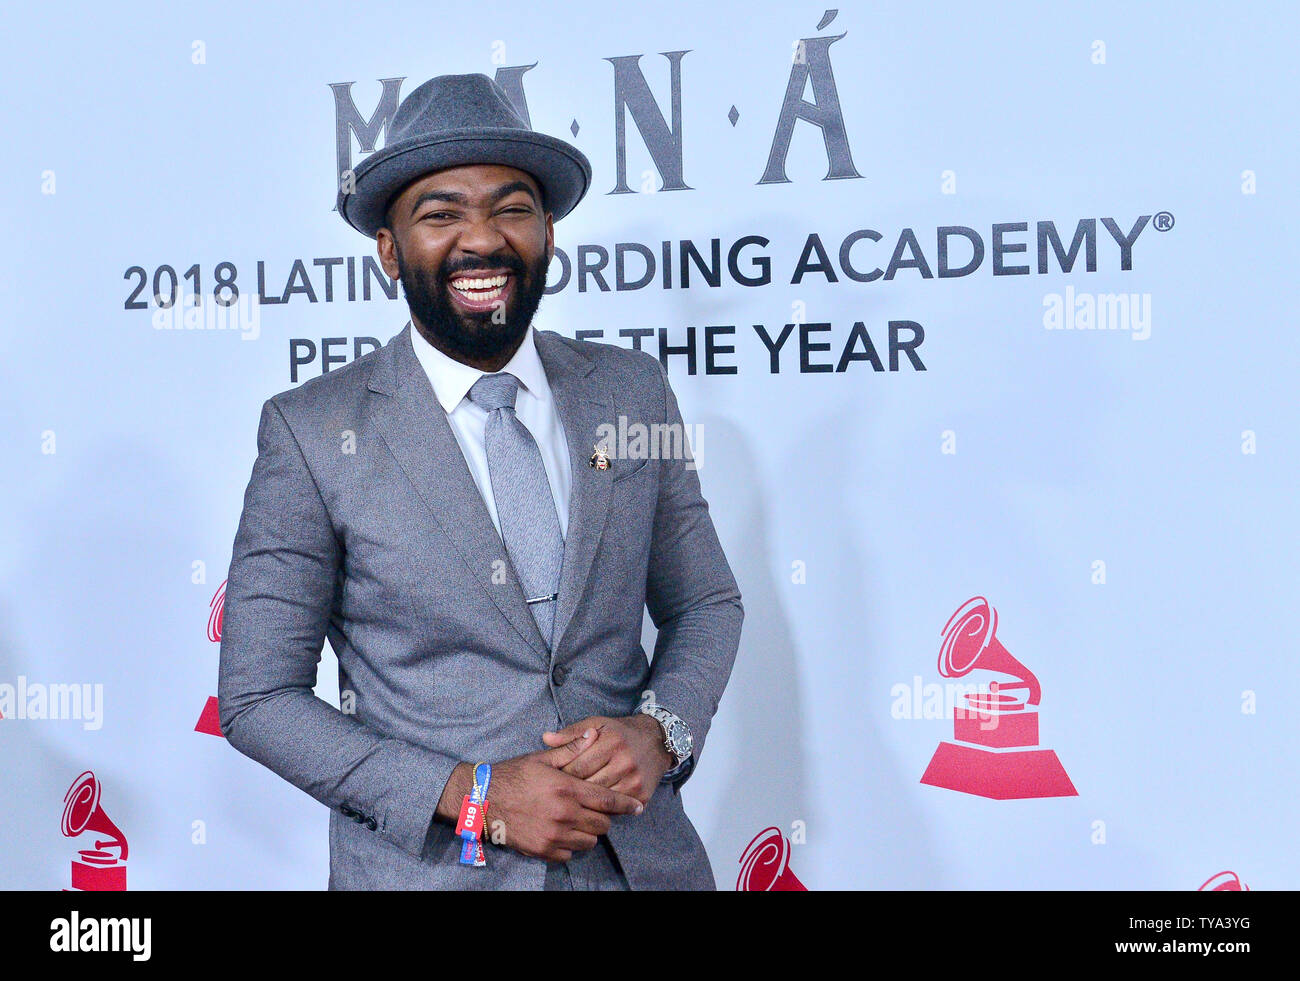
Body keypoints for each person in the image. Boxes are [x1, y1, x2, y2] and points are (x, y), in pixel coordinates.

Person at [217, 73, 744, 889]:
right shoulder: (312, 432)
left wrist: (660, 731)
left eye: (512, 208)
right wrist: (476, 797)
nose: (483, 239)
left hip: (642, 866)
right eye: (440, 213)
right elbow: (257, 698)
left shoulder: (630, 391)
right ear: (389, 250)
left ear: (548, 236)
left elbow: (706, 602)